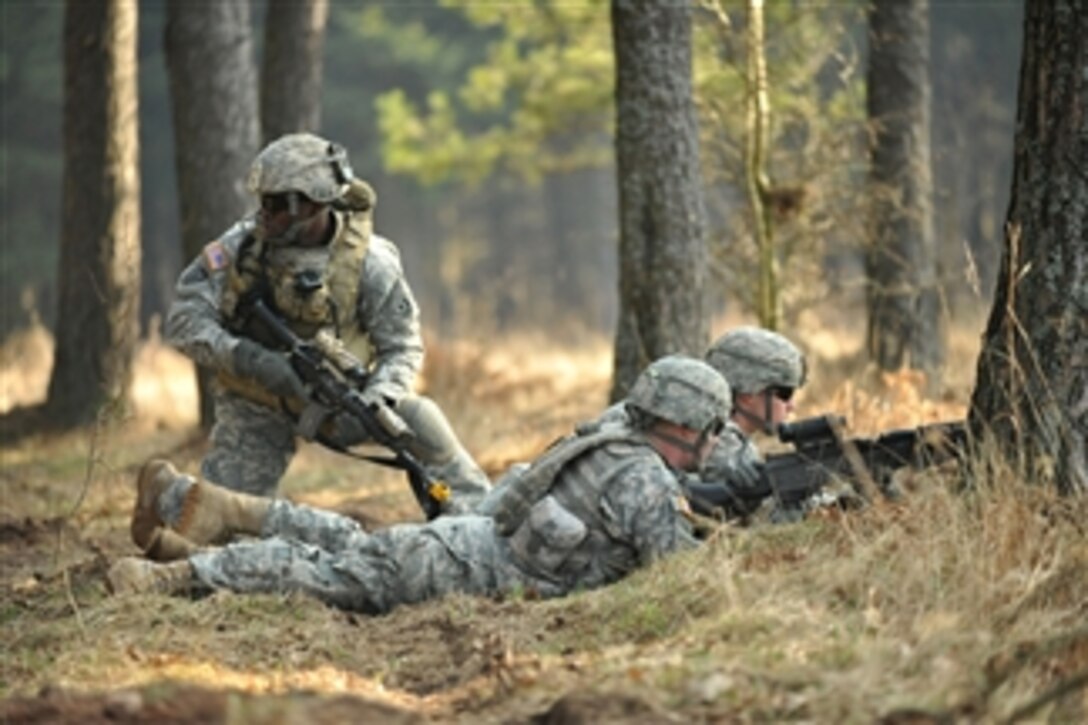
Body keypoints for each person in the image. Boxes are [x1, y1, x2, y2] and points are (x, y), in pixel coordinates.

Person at [107, 356, 731, 614]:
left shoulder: (614, 437)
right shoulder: (644, 480)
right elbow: (679, 574)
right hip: (458, 570)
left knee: (350, 543)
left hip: (465, 544)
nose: (714, 440)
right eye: (711, 428)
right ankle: (175, 577)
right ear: (687, 424)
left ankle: (200, 516)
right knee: (321, 572)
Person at [162, 132, 489, 515]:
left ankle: (482, 519)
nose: (264, 213)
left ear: (314, 205)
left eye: (278, 204)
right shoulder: (240, 249)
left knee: (421, 421)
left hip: (340, 401)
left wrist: (378, 397)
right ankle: (165, 496)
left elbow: (402, 346)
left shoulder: (370, 262)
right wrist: (249, 358)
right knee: (221, 519)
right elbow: (183, 321)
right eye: (263, 201)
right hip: (258, 403)